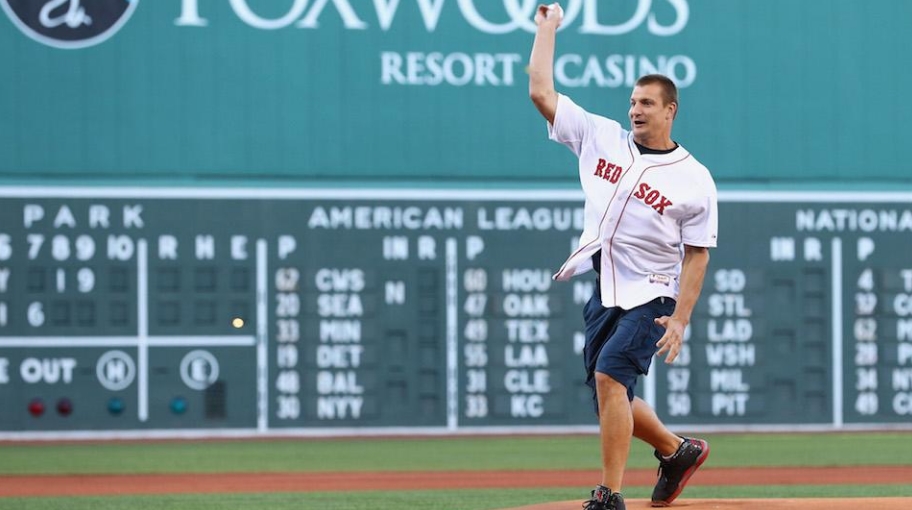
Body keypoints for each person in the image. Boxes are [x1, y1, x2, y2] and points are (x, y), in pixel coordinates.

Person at [528, 4, 717, 510]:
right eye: (633, 101)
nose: (636, 110)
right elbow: (540, 92)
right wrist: (547, 30)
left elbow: (697, 254)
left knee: (612, 377)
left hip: (653, 290)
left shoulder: (694, 179)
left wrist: (680, 318)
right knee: (610, 396)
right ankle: (677, 451)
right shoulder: (602, 138)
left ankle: (609, 494)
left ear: (670, 109)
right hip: (605, 287)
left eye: (647, 103)